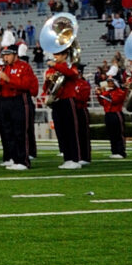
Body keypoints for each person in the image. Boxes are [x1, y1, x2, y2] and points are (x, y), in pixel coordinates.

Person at [0, 38, 39, 169]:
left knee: (20, 131)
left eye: (8, 55)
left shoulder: (24, 67)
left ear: (15, 55)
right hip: (5, 101)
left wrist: (8, 79)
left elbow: (25, 85)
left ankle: (23, 161)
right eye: (4, 56)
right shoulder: (5, 68)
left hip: (19, 100)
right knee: (8, 131)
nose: (5, 58)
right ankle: (14, 158)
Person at [42, 37, 87, 170]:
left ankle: (75, 158)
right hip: (56, 101)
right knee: (61, 132)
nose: (55, 57)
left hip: (68, 100)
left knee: (71, 131)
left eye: (58, 54)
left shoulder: (69, 66)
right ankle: (67, 158)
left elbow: (72, 75)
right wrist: (48, 80)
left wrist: (56, 66)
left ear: (65, 55)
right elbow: (46, 89)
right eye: (55, 54)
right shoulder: (51, 70)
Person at [97, 66, 128, 159]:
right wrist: (99, 95)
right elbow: (103, 103)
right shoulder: (107, 92)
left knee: (118, 133)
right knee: (111, 134)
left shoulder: (120, 92)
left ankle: (121, 152)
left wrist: (103, 93)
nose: (109, 84)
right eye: (108, 82)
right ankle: (114, 151)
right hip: (108, 114)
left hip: (116, 114)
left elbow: (113, 100)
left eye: (111, 82)